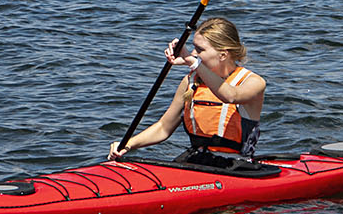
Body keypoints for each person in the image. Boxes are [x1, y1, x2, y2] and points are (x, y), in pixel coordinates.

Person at [109, 17, 267, 167]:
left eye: (200, 49)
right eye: (193, 48)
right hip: (195, 161)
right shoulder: (190, 82)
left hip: (235, 166)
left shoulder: (252, 82)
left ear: (223, 54)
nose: (193, 53)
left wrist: (193, 63)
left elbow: (230, 96)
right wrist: (128, 144)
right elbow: (164, 127)